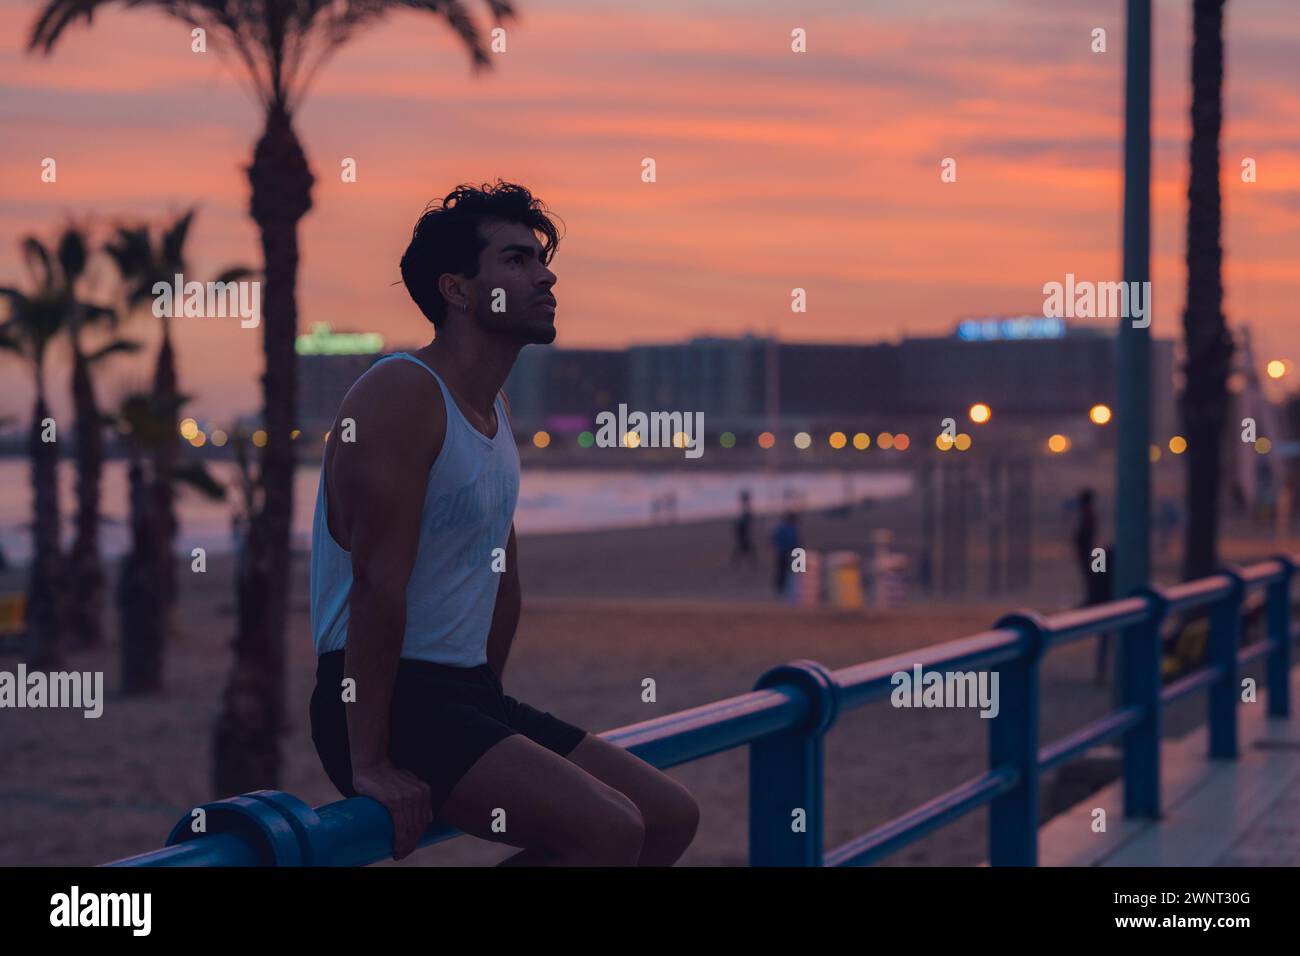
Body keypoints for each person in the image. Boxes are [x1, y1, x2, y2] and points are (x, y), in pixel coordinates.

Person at [308, 181, 698, 866]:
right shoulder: (402, 393)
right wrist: (368, 761)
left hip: (468, 694)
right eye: (517, 260)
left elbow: (501, 576)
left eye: (542, 260)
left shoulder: (491, 412)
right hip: (389, 698)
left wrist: (491, 719)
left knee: (668, 818)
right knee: (609, 833)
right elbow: (376, 583)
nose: (546, 276)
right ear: (457, 290)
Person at [772, 510, 800, 596]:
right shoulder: (790, 529)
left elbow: (774, 538)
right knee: (786, 571)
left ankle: (782, 588)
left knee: (783, 571)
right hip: (787, 552)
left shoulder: (784, 528)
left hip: (784, 551)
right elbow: (795, 541)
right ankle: (785, 588)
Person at [731, 489, 755, 566]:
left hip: (742, 529)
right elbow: (748, 519)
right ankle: (751, 563)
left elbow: (747, 519)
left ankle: (737, 563)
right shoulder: (745, 509)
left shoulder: (745, 509)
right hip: (742, 529)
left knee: (744, 547)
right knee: (745, 547)